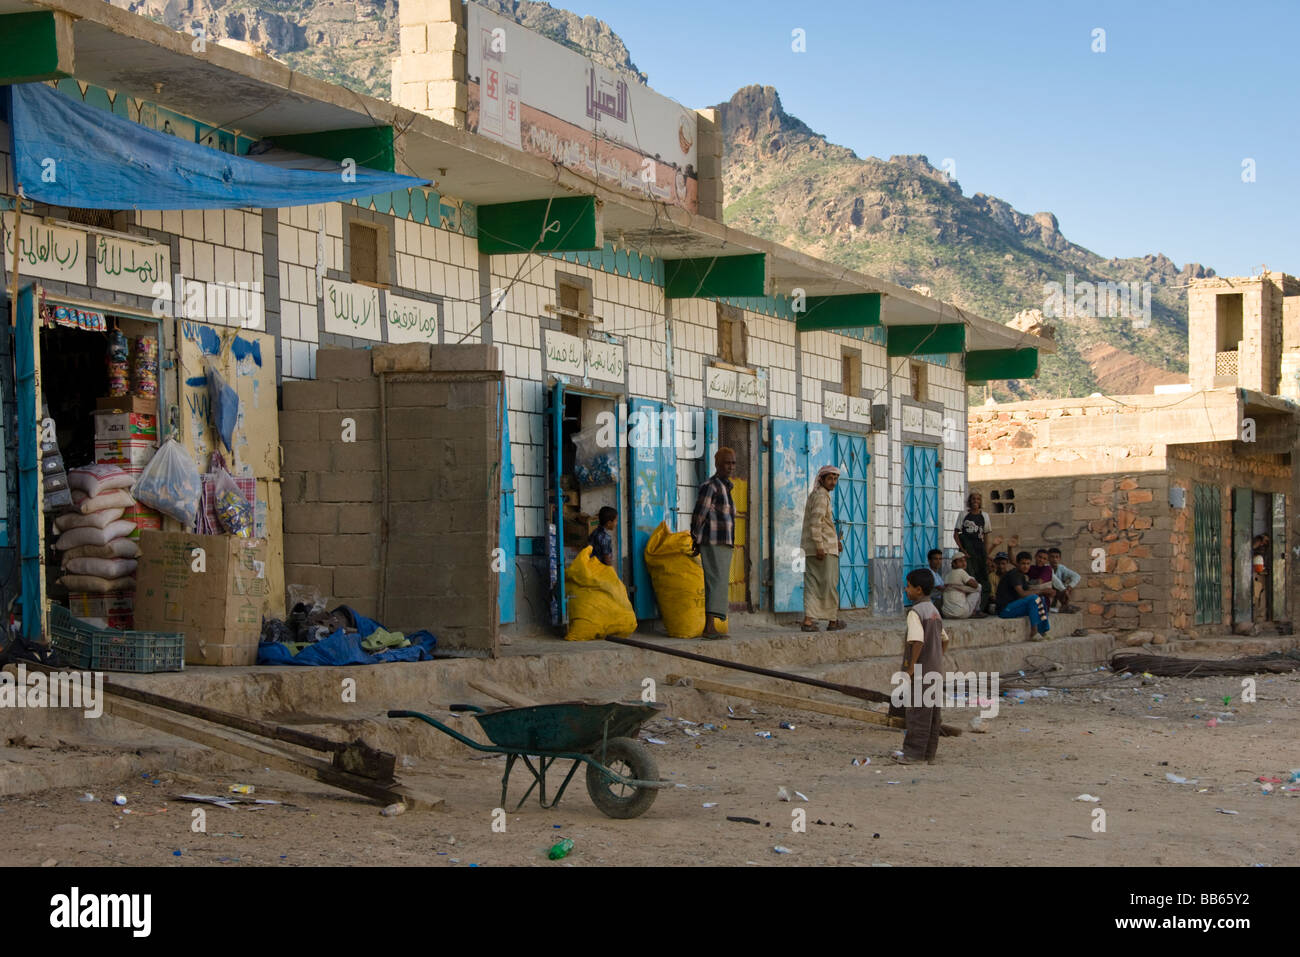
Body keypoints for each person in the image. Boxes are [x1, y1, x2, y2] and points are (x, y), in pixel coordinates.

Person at [896, 568, 950, 765]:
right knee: (933, 713)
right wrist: (937, 657)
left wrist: (910, 668)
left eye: (908, 586)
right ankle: (929, 753)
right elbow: (945, 639)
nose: (906, 589)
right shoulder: (934, 611)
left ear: (918, 590)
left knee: (918, 712)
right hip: (935, 668)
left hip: (921, 670)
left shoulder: (915, 612)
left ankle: (913, 754)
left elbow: (916, 641)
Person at [690, 447, 737, 639]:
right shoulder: (711, 486)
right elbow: (699, 514)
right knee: (714, 582)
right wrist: (695, 538)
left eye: (733, 463)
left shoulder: (726, 486)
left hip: (724, 541)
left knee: (719, 583)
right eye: (727, 462)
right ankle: (709, 627)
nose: (731, 467)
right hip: (712, 540)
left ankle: (712, 625)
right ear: (717, 464)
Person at [801, 465, 846, 632]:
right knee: (829, 585)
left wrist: (835, 541)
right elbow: (816, 522)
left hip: (813, 548)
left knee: (812, 584)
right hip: (823, 550)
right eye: (830, 479)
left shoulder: (816, 495)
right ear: (822, 479)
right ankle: (832, 621)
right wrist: (820, 546)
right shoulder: (821, 496)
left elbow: (823, 524)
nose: (833, 482)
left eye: (835, 479)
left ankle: (808, 620)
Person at [996, 550, 1053, 640]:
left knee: (1040, 599)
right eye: (1023, 563)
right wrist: (1041, 591)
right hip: (1005, 610)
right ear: (1017, 564)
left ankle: (1043, 631)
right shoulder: (1015, 574)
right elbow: (1022, 594)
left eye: (1028, 563)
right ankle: (1034, 633)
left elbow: (1029, 590)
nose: (1026, 566)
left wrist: (1046, 591)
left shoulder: (1022, 575)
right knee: (1034, 598)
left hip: (1014, 606)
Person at [954, 493, 992, 608]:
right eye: (973, 499)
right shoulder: (963, 515)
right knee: (969, 579)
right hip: (967, 553)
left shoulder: (984, 516)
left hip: (979, 551)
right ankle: (968, 607)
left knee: (983, 579)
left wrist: (986, 553)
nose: (976, 501)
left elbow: (986, 536)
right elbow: (956, 534)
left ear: (981, 502)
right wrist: (963, 550)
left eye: (978, 499)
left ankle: (981, 607)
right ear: (969, 501)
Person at [942, 552, 986, 619]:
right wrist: (970, 581)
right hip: (961, 613)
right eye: (960, 561)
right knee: (979, 587)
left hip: (946, 614)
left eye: (964, 560)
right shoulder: (960, 571)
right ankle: (977, 611)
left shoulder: (947, 575)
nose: (964, 563)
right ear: (954, 564)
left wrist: (962, 588)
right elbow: (975, 586)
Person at [1047, 547, 1081, 613]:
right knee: (1059, 588)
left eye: (1057, 557)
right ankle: (1063, 607)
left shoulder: (1061, 568)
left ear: (1060, 558)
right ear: (1048, 558)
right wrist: (1065, 591)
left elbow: (1077, 576)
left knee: (1069, 587)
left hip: (1059, 591)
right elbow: (1055, 580)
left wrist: (1069, 587)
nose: (1054, 559)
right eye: (1052, 557)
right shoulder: (1046, 568)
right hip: (1049, 591)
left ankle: (1064, 606)